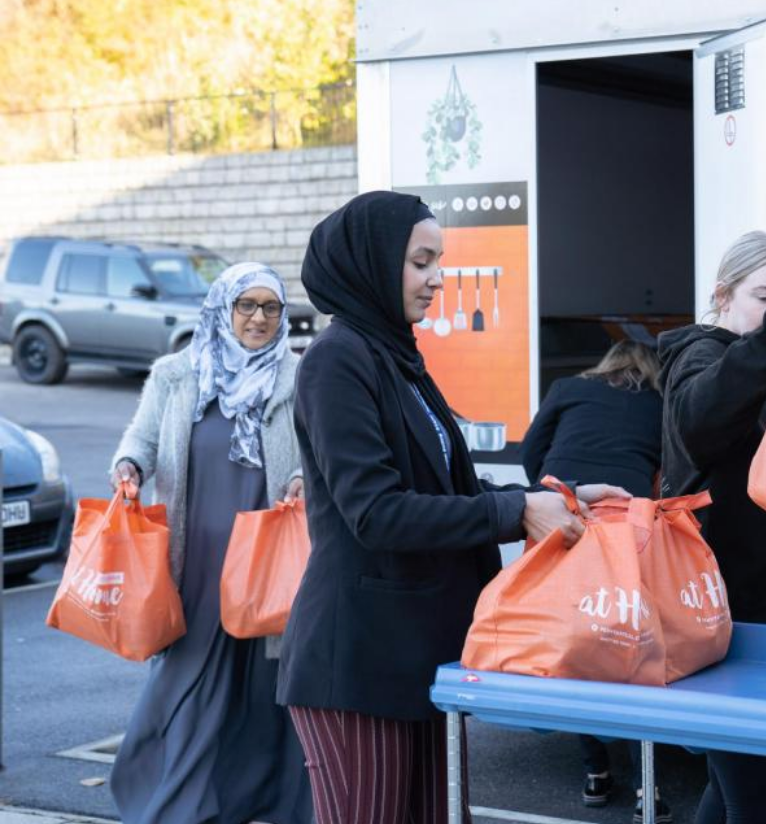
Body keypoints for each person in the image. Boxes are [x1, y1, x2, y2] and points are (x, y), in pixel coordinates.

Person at [277, 190, 626, 824]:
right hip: (358, 662)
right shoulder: (336, 361)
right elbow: (376, 513)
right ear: (371, 263)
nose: (438, 278)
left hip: (419, 651)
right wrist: (515, 514)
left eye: (438, 260)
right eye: (421, 262)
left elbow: (447, 489)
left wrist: (553, 499)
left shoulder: (397, 358)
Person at [108, 262, 312, 824]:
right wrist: (128, 465)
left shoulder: (297, 377)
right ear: (223, 308)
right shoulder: (177, 373)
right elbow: (143, 437)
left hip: (269, 556)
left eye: (271, 307)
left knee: (264, 680)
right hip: (195, 556)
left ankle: (261, 797)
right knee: (189, 676)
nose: (259, 318)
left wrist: (304, 478)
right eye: (246, 305)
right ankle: (178, 803)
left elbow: (319, 451)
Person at [658, 230, 766, 824]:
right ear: (722, 296)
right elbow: (702, 418)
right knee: (763, 794)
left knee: (737, 786)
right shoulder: (700, 356)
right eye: (765, 296)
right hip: (729, 617)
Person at [521, 340, 671, 824]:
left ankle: (595, 771)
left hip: (562, 522)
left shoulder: (568, 389)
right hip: (625, 528)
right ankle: (647, 785)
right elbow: (668, 471)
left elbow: (532, 453)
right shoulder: (660, 403)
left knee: (576, 645)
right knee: (633, 648)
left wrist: (557, 497)